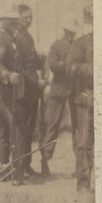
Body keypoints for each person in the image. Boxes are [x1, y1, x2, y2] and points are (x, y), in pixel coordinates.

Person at [0, 1, 26, 185]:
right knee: (14, 129)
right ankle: (15, 174)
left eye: (15, 20)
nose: (15, 23)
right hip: (1, 93)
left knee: (4, 130)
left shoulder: (13, 39)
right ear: (3, 21)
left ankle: (4, 171)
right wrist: (8, 75)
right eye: (11, 21)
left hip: (11, 93)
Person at [41, 15, 80, 177]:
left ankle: (80, 167)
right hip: (58, 90)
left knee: (78, 128)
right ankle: (44, 163)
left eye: (73, 32)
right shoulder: (56, 46)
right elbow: (52, 65)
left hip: (74, 90)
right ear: (65, 31)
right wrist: (67, 65)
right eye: (69, 32)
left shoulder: (78, 46)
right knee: (53, 126)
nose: (71, 35)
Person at [15, 4, 46, 176]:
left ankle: (26, 165)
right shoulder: (17, 38)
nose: (29, 20)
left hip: (33, 90)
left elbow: (32, 61)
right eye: (25, 17)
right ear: (18, 17)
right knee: (22, 130)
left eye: (30, 17)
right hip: (24, 90)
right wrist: (36, 81)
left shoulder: (28, 37)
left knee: (30, 129)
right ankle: (20, 167)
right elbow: (22, 68)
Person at [66, 5, 94, 192]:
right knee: (84, 143)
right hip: (86, 99)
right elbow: (71, 68)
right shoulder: (81, 43)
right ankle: (83, 184)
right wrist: (93, 69)